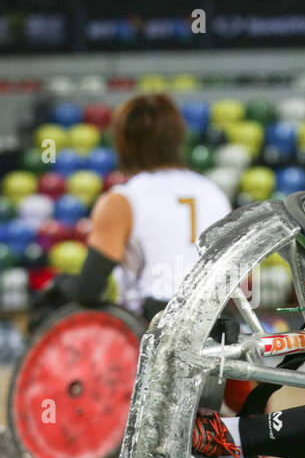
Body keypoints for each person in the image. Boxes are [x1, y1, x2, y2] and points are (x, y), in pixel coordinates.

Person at [31, 94, 231, 330]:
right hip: (214, 329)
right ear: (178, 137)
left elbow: (89, 289)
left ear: (122, 141)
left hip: (153, 329)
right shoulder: (214, 192)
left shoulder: (124, 199)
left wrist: (62, 285)